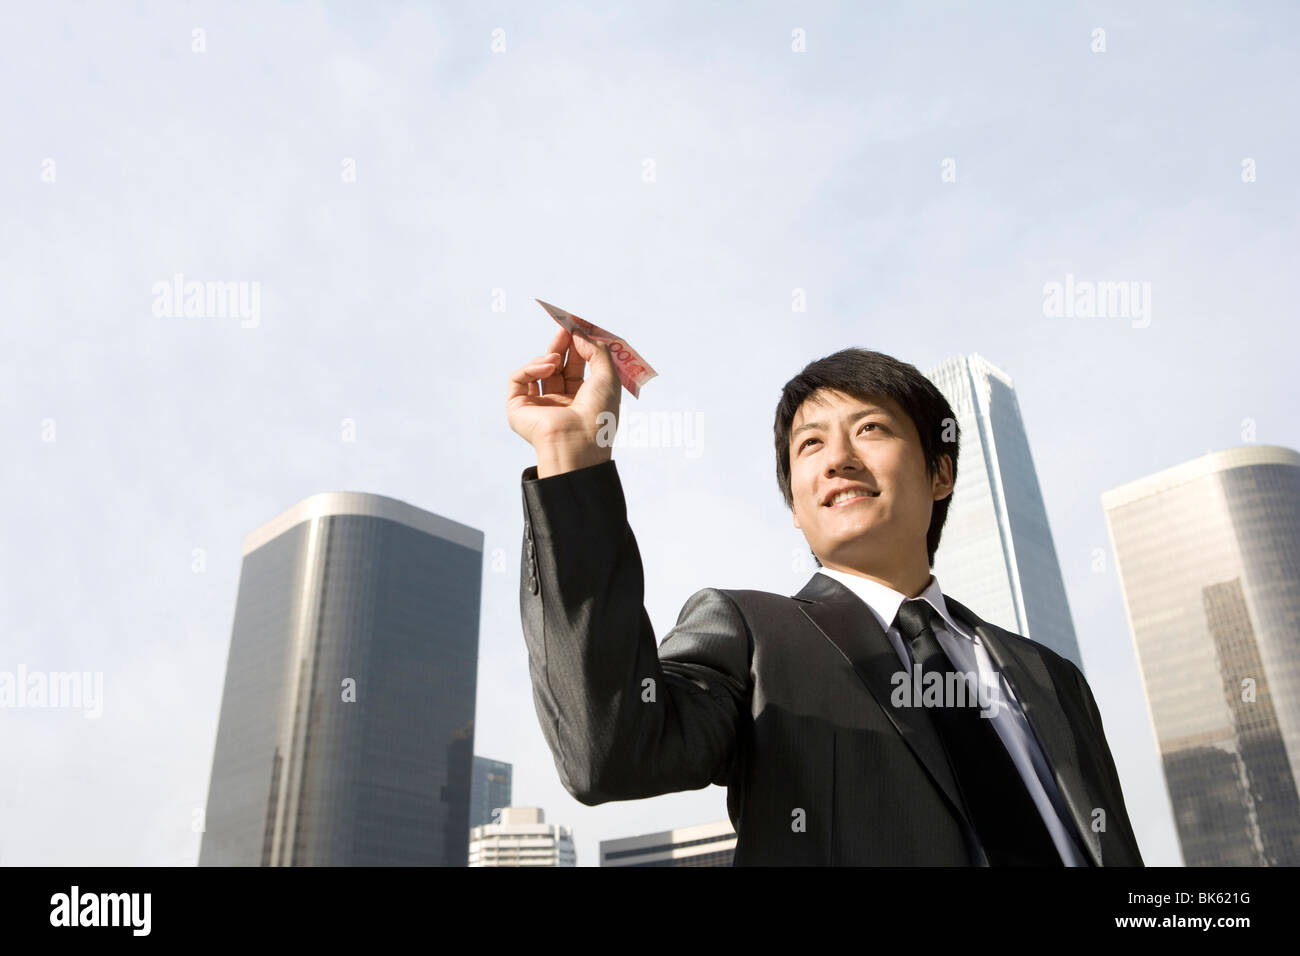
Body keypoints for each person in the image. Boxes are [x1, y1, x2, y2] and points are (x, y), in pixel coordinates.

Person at [506, 326, 1144, 866]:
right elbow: (608, 752)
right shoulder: (752, 634)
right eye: (809, 443)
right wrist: (571, 455)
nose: (837, 458)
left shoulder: (1052, 678)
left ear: (940, 472)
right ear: (796, 507)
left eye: (870, 428)